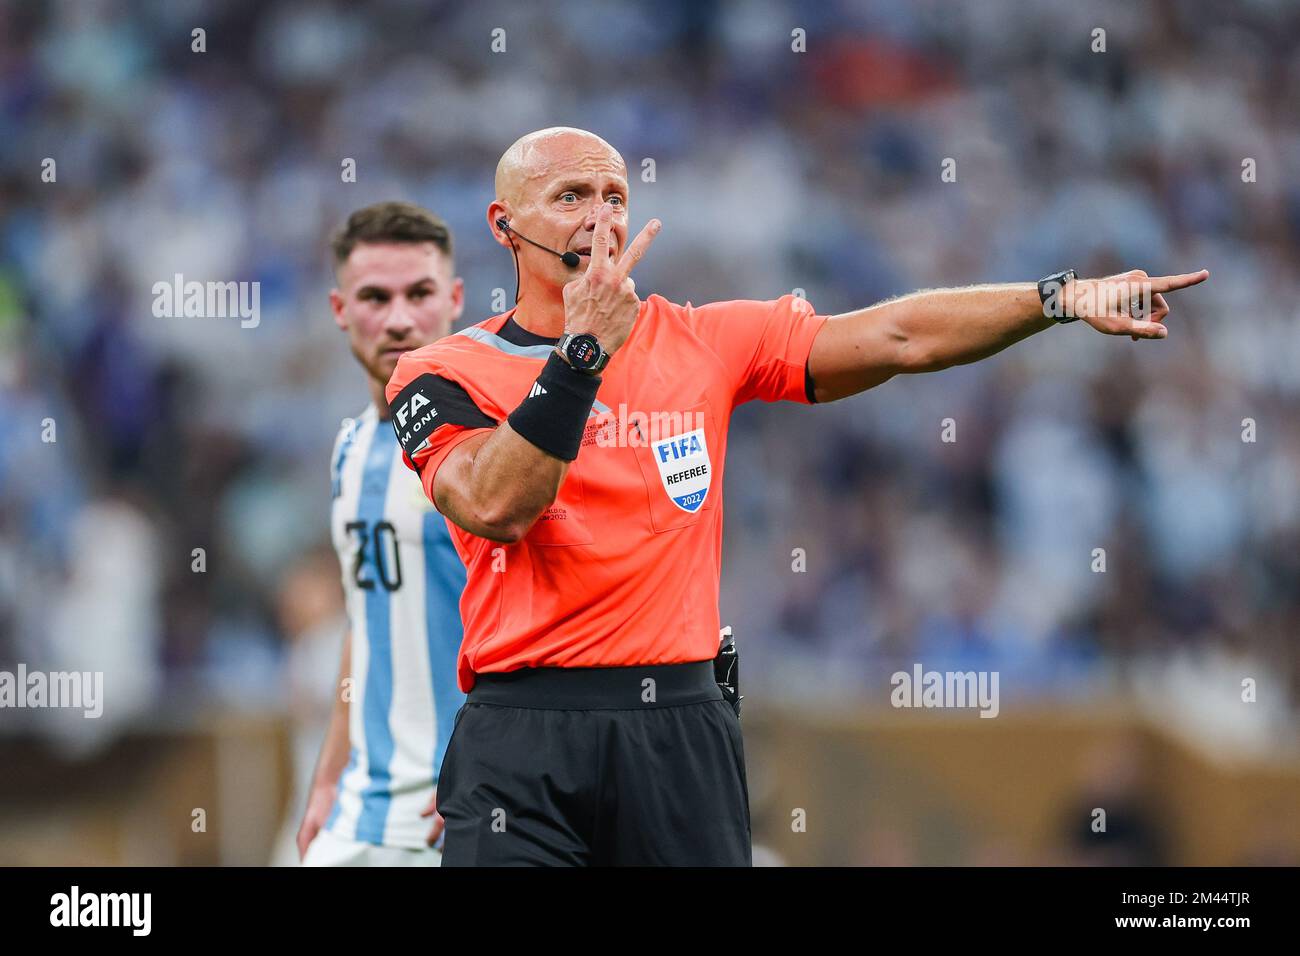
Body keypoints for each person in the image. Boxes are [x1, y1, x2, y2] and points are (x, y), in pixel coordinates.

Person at [385, 127, 1209, 866]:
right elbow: (495, 504)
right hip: (522, 732)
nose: (600, 217)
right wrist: (582, 355)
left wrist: (1055, 300)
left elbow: (896, 335)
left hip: (677, 725)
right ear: (504, 226)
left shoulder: (705, 339)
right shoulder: (440, 372)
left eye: (614, 197)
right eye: (570, 197)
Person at [296, 202, 468, 866]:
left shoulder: (487, 445)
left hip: (452, 818)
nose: (399, 318)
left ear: (453, 300)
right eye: (375, 296)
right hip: (360, 815)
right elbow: (364, 622)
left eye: (419, 293)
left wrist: (498, 777)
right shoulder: (350, 446)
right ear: (341, 309)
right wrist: (328, 777)